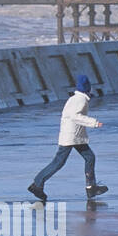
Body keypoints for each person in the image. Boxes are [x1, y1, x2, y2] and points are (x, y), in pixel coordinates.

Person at [28, 74, 108, 202]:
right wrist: (94, 123)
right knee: (58, 162)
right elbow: (75, 116)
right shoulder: (80, 100)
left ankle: (91, 187)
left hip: (74, 136)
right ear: (87, 87)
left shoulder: (76, 98)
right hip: (71, 136)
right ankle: (37, 184)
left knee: (89, 157)